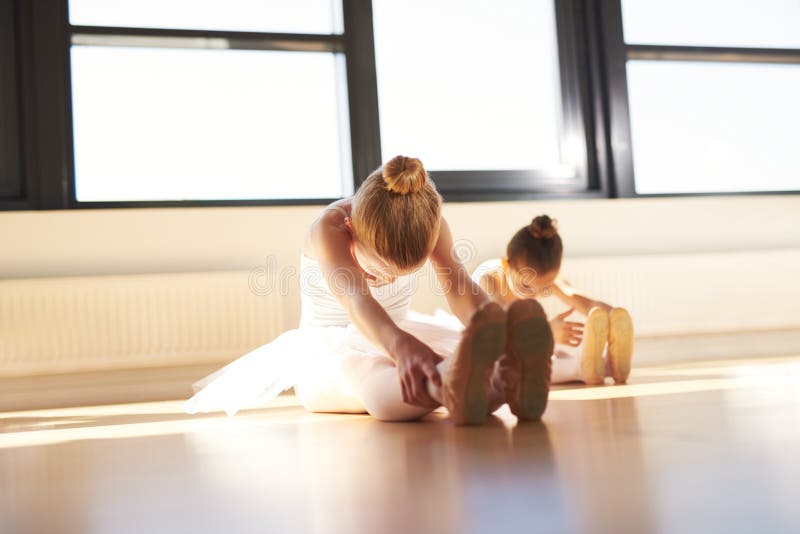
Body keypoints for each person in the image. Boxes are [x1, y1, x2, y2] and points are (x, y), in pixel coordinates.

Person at [184, 156, 554, 424]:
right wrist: (399, 346)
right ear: (353, 229)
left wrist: (498, 330)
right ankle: (453, 388)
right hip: (328, 350)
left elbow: (459, 286)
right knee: (373, 381)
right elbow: (358, 300)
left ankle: (505, 383)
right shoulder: (328, 231)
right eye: (380, 270)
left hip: (397, 332)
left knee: (460, 347)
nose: (389, 281)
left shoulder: (432, 223)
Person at [473, 215, 634, 385]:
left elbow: (584, 302)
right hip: (489, 342)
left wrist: (613, 317)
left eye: (544, 287)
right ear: (506, 265)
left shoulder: (544, 280)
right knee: (520, 366)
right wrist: (547, 334)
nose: (534, 294)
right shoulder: (489, 279)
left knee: (570, 343)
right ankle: (584, 368)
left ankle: (609, 362)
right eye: (527, 287)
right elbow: (501, 332)